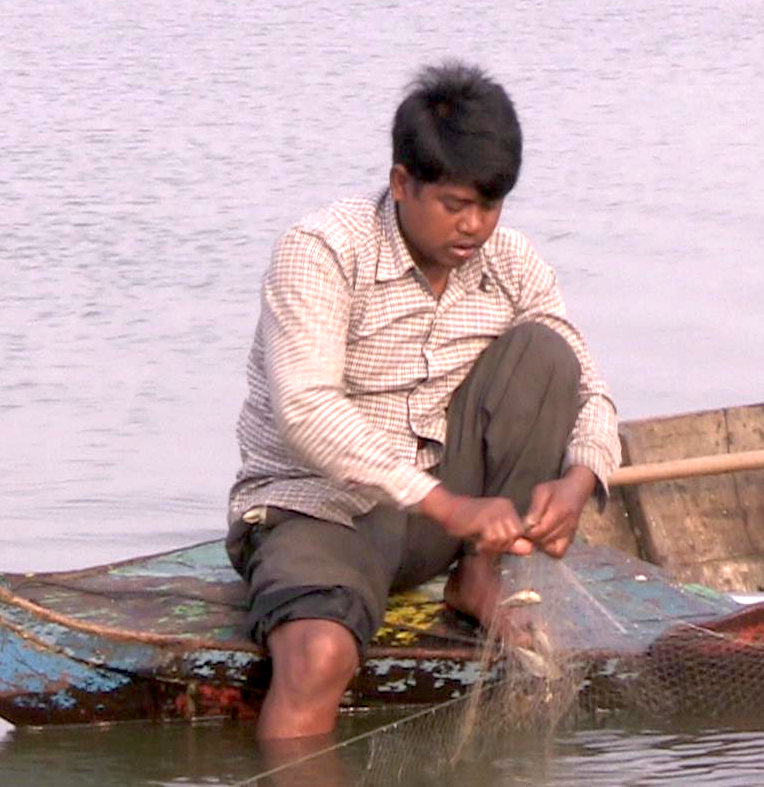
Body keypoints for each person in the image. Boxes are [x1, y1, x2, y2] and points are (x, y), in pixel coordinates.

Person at [226, 62, 621, 742]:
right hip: (321, 508)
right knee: (318, 659)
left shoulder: (513, 264)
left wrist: (581, 479)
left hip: (441, 521)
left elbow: (587, 388)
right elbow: (307, 412)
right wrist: (448, 504)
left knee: (546, 353)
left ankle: (478, 577)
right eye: (455, 205)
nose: (474, 227)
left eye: (490, 206)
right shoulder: (322, 252)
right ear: (402, 183)